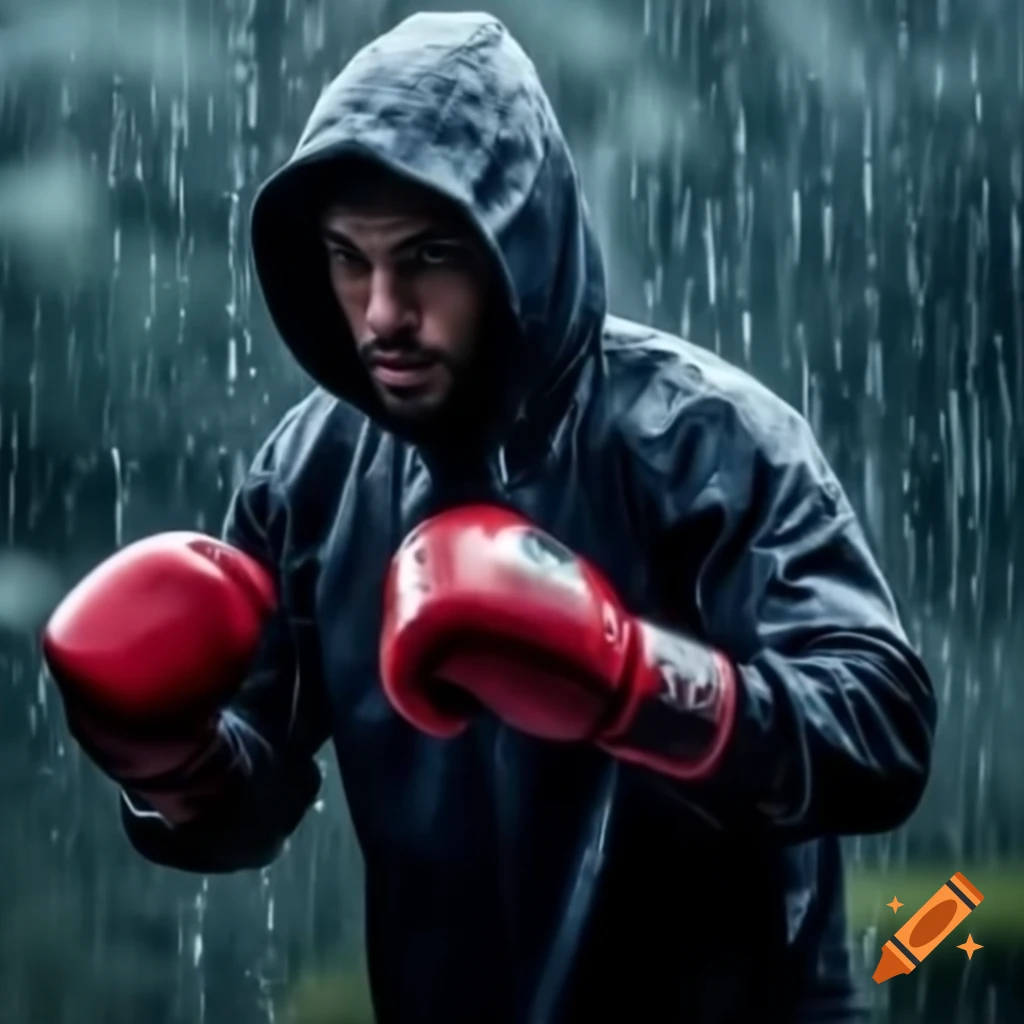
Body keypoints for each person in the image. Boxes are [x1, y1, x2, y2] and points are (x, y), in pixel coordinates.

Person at [41, 12, 936, 1023]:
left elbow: (879, 726)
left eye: (427, 256)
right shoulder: (312, 473)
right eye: (347, 259)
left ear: (517, 243)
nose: (381, 311)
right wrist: (172, 761)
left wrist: (639, 681)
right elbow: (253, 796)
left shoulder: (705, 441)